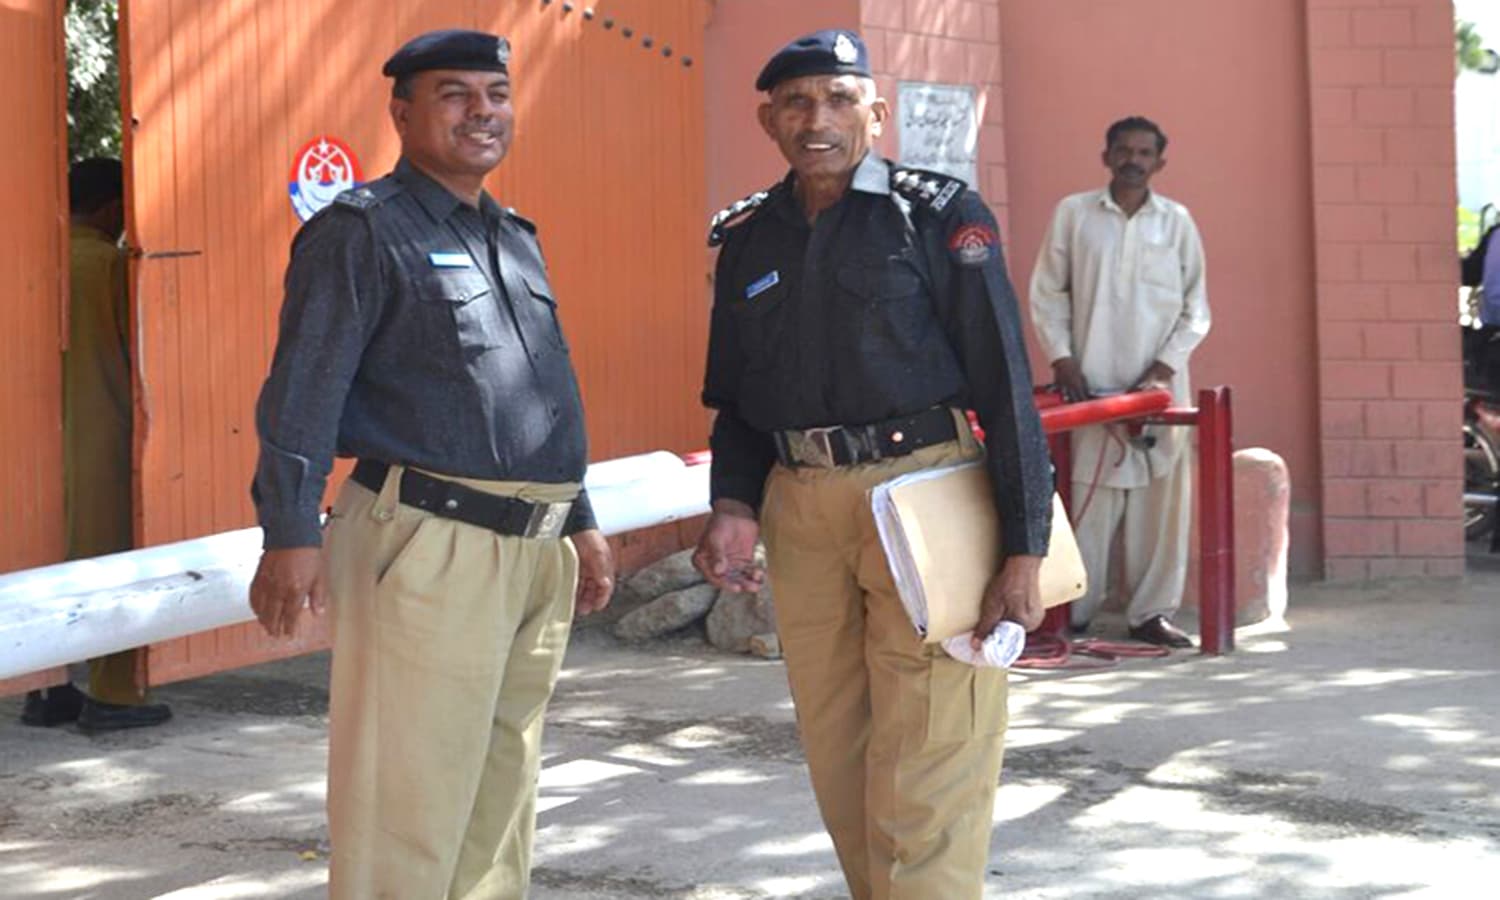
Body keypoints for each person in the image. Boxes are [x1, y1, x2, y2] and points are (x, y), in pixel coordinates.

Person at [248, 29, 614, 899]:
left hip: (534, 549)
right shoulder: (361, 232)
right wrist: (289, 532)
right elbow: (305, 388)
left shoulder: (514, 234)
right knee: (405, 798)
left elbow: (537, 392)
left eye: (494, 93)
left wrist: (584, 517)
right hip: (428, 540)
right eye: (454, 94)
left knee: (500, 791)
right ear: (402, 111)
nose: (481, 112)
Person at [693, 30, 1053, 900]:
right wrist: (733, 505)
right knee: (840, 747)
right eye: (797, 103)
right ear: (768, 118)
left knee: (933, 746)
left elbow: (1005, 383)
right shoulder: (748, 236)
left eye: (840, 99)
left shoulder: (934, 214)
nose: (818, 119)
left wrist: (1024, 548)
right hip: (803, 503)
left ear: (875, 114)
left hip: (927, 490)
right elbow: (736, 396)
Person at [1029, 116, 1211, 648]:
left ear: (1159, 162)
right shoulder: (1074, 214)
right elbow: (1047, 292)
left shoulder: (1176, 223)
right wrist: (1062, 358)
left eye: (1144, 152)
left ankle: (1151, 614)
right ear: (1106, 156)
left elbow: (1196, 310)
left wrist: (1160, 371)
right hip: (1092, 387)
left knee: (1161, 503)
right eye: (1124, 150)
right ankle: (1075, 610)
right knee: (1088, 496)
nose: (1133, 159)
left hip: (1159, 392)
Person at [20, 157, 172, 733]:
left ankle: (45, 689)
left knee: (39, 556)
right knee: (114, 559)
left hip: (33, 445)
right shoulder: (108, 265)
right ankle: (115, 693)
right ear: (114, 209)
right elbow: (146, 355)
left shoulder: (31, 264)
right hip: (101, 435)